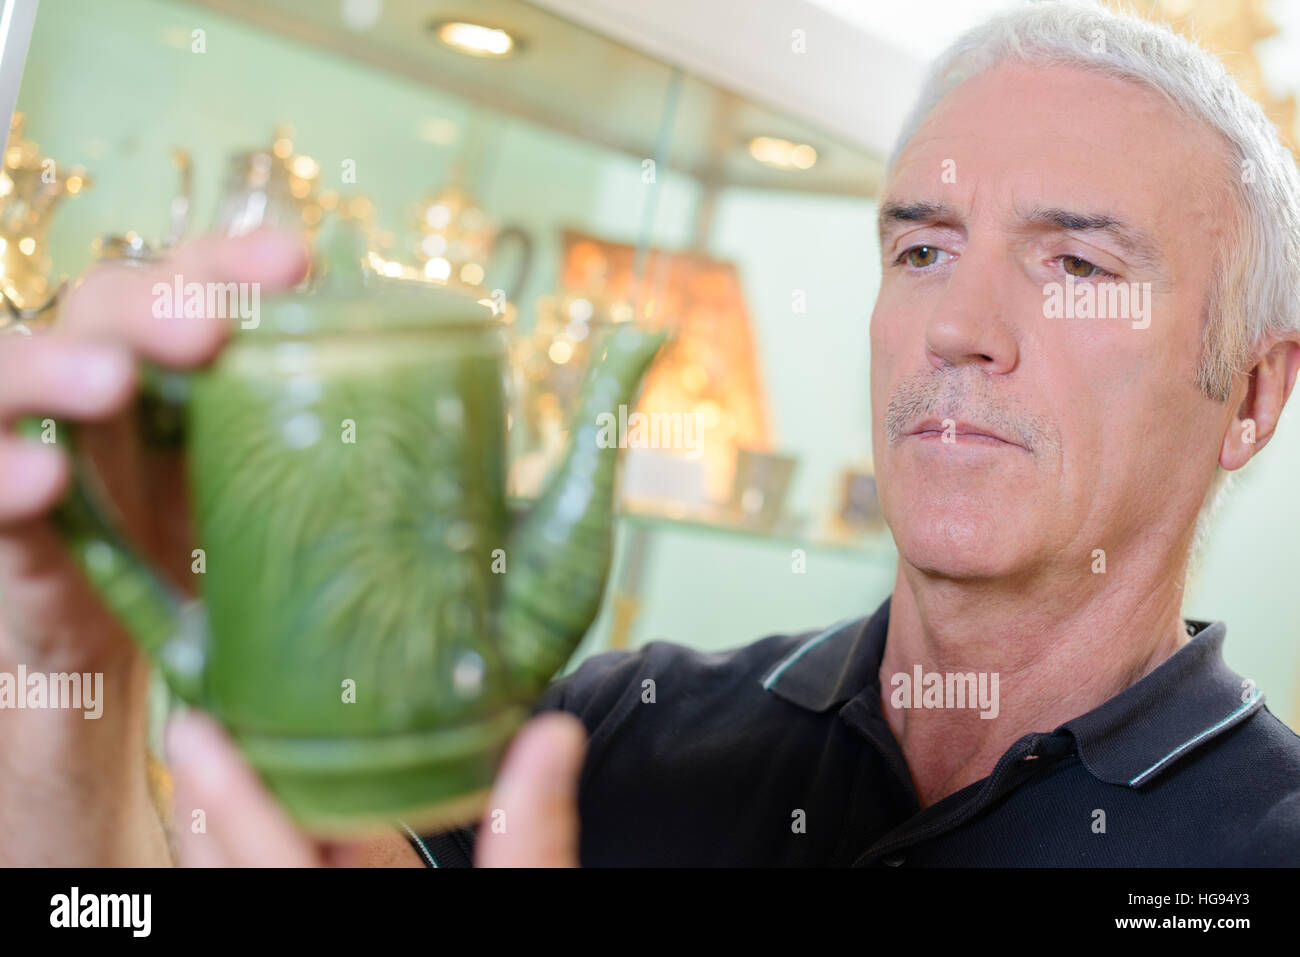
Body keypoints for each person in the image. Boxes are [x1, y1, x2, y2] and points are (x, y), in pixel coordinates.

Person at [3, 0, 1299, 866]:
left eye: (1075, 264)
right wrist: (66, 665)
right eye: (920, 246)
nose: (957, 325)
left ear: (1251, 394)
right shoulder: (614, 724)